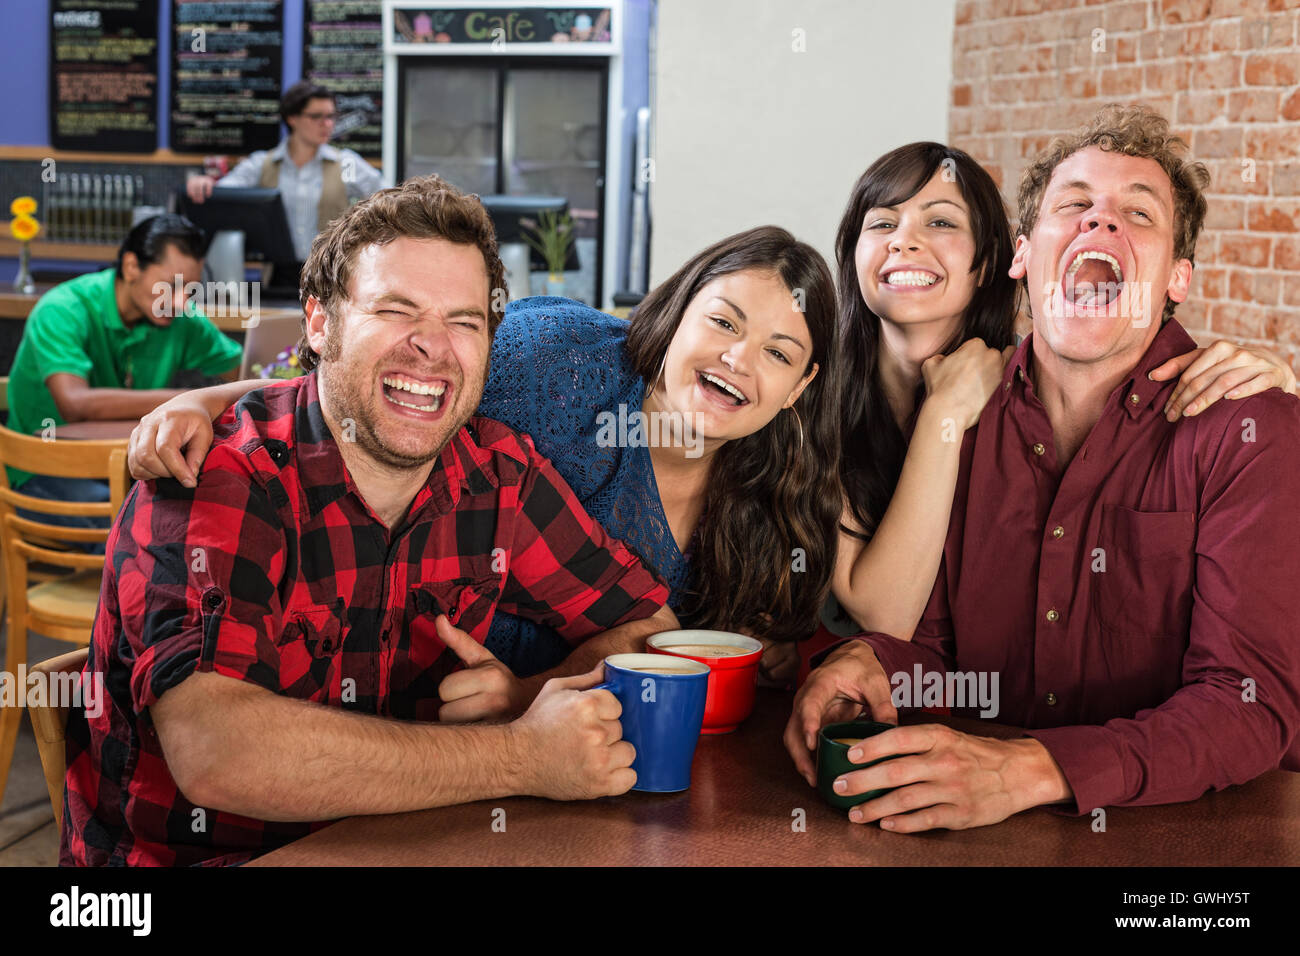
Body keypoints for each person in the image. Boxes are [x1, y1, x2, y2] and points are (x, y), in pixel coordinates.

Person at [62, 175, 676, 866]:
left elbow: (649, 629)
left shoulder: (498, 476)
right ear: (320, 323)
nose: (432, 346)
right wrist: (519, 755)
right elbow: (218, 751)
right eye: (395, 309)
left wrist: (526, 696)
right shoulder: (216, 474)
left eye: (464, 321)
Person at [786, 105, 1300, 831]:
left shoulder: (1246, 430)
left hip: (1199, 838)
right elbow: (940, 656)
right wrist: (872, 668)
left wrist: (1031, 769)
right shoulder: (960, 418)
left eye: (1138, 212)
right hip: (989, 836)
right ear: (1024, 253)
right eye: (1075, 205)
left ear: (1178, 275)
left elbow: (1246, 705)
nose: (1101, 223)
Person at [126, 227, 844, 683]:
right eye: (722, 321)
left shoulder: (778, 489)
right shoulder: (554, 365)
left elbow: (692, 647)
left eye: (779, 353)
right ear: (675, 309)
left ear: (798, 388)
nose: (739, 359)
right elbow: (395, 381)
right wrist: (220, 399)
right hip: (407, 718)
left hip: (543, 764)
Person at [828, 141, 1296, 646]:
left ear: (991, 261)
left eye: (940, 222)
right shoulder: (821, 398)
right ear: (1022, 257)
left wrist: (1279, 393)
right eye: (881, 223)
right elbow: (899, 633)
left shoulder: (1004, 389)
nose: (904, 241)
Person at [4, 214, 242, 507]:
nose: (182, 301)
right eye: (170, 286)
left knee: (215, 504)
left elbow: (241, 370)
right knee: (137, 522)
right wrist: (188, 399)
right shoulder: (63, 309)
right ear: (131, 267)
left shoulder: (181, 317)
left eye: (190, 289)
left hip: (129, 466)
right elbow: (74, 403)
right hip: (43, 470)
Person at [185, 81, 384, 266]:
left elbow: (387, 199)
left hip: (329, 274)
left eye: (331, 116)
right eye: (316, 117)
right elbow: (222, 193)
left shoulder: (345, 163)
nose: (327, 124)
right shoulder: (263, 164)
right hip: (275, 273)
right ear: (292, 118)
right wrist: (203, 182)